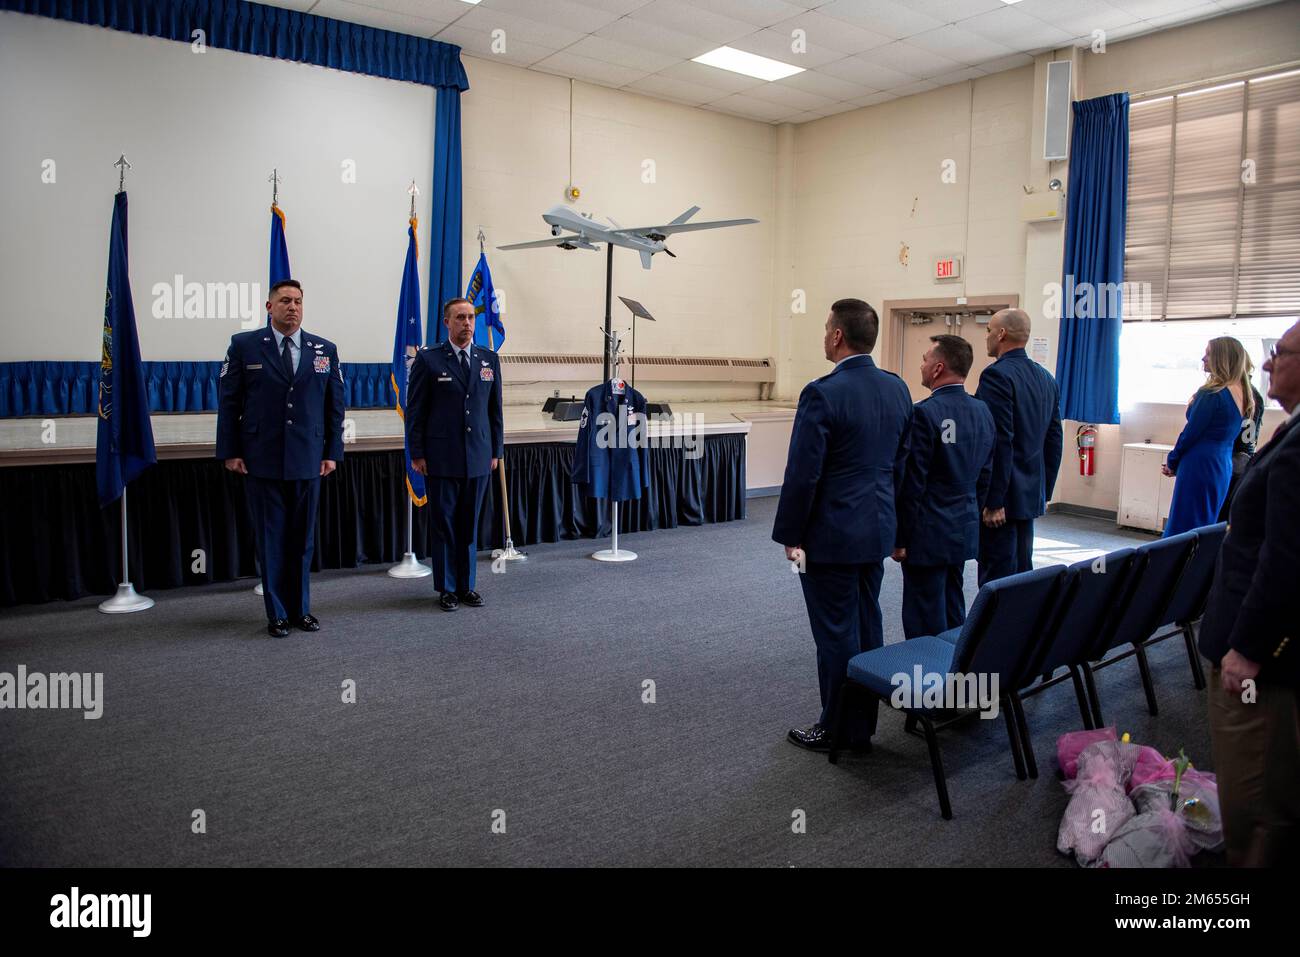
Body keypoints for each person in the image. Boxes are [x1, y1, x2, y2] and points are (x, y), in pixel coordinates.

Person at [773, 299, 912, 752]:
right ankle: (862, 725)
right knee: (867, 624)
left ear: (836, 336)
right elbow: (902, 467)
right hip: (876, 528)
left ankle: (837, 728)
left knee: (835, 634)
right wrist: (899, 528)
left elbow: (803, 474)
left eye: (825, 328)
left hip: (831, 535)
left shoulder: (822, 392)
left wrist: (791, 535)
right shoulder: (897, 388)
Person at [1198, 319, 1300, 866]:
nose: (1268, 363)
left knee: (1253, 801)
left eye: (1280, 353)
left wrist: (1249, 648)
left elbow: (1286, 561)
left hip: (1262, 656)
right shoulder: (1284, 425)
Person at [216, 279, 345, 638]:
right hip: (263, 459)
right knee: (271, 539)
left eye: (299, 301)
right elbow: (229, 402)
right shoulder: (244, 346)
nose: (293, 307)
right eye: (285, 300)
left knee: (302, 540)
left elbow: (335, 406)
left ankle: (301, 609)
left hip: (309, 458)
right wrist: (231, 450)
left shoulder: (324, 349)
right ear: (269, 307)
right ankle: (277, 613)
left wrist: (332, 452)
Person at [892, 335, 994, 640]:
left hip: (927, 530)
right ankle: (956, 670)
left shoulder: (924, 413)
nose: (920, 365)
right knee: (953, 603)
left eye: (924, 359)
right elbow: (985, 475)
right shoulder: (983, 411)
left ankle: (928, 681)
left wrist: (900, 538)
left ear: (938, 368)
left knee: (923, 613)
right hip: (963, 525)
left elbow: (913, 484)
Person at [406, 298, 503, 611]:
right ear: (446, 322)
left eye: (471, 318)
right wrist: (417, 452)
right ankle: (446, 588)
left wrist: (496, 450)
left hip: (478, 456)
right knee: (444, 525)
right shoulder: (429, 359)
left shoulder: (488, 359)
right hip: (441, 456)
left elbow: (494, 410)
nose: (467, 323)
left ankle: (467, 585)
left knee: (468, 524)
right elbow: (416, 411)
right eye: (460, 318)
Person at [974, 308, 1063, 585]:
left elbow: (999, 440)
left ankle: (997, 630)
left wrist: (994, 500)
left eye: (989, 330)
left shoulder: (996, 376)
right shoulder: (1046, 378)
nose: (986, 336)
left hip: (1004, 497)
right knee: (1022, 572)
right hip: (1029, 494)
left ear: (1001, 334)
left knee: (997, 577)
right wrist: (1043, 492)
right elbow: (1054, 439)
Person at [1161, 336, 1253, 537]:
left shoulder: (1212, 393)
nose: (1203, 358)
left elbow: (1191, 433)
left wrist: (1172, 461)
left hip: (1199, 463)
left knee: (1184, 525)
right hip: (1221, 465)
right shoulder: (1244, 393)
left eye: (1209, 354)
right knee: (1204, 523)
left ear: (1222, 358)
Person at [1218, 377, 1265, 522]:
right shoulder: (1251, 393)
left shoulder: (1242, 393)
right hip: (1242, 457)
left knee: (1222, 516)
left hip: (1235, 459)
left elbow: (1245, 438)